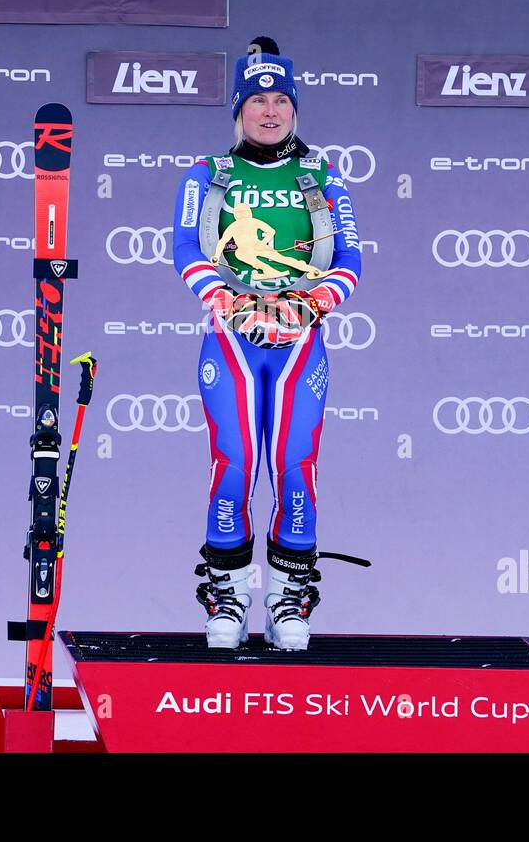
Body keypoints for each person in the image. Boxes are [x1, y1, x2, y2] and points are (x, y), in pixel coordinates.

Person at [172, 37, 363, 650]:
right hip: (230, 339)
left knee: (294, 470)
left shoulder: (322, 176)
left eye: (282, 99)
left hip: (299, 341)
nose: (271, 111)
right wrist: (225, 300)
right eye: (258, 100)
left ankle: (289, 599)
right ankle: (226, 595)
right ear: (238, 109)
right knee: (234, 464)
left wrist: (308, 303)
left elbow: (351, 256)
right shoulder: (209, 173)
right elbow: (184, 248)